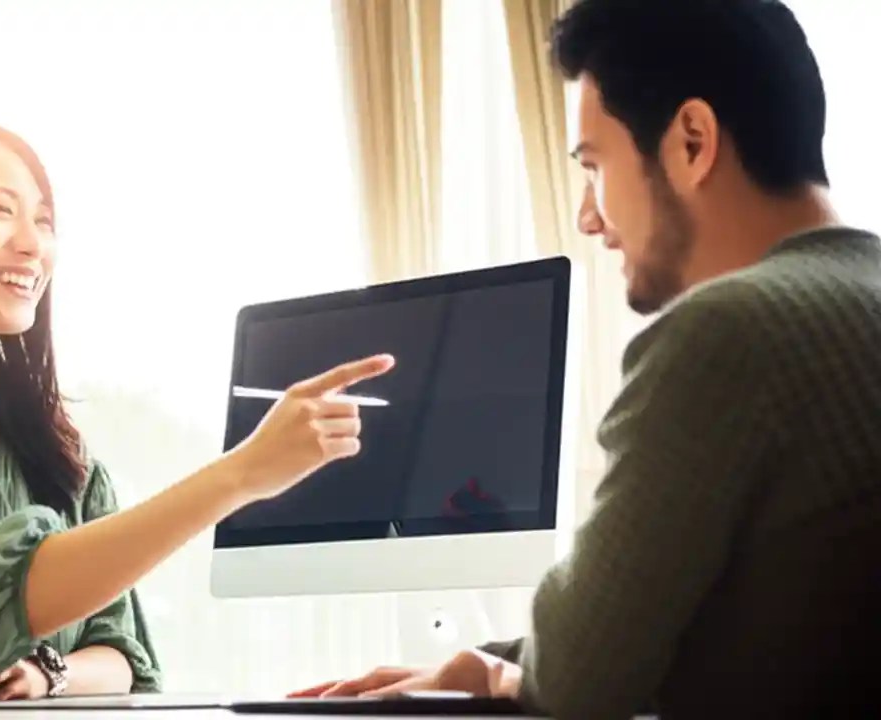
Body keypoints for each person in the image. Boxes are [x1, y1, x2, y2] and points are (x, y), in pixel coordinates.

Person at [294, 0, 881, 717]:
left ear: (692, 141)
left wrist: (513, 673)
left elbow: (579, 680)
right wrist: (499, 663)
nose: (589, 216)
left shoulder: (725, 334)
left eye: (595, 165)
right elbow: (698, 635)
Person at [0, 124, 394, 709]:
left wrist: (45, 675)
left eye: (43, 219)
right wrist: (241, 475)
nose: (32, 243)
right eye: (0, 209)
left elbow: (121, 655)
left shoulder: (60, 458)